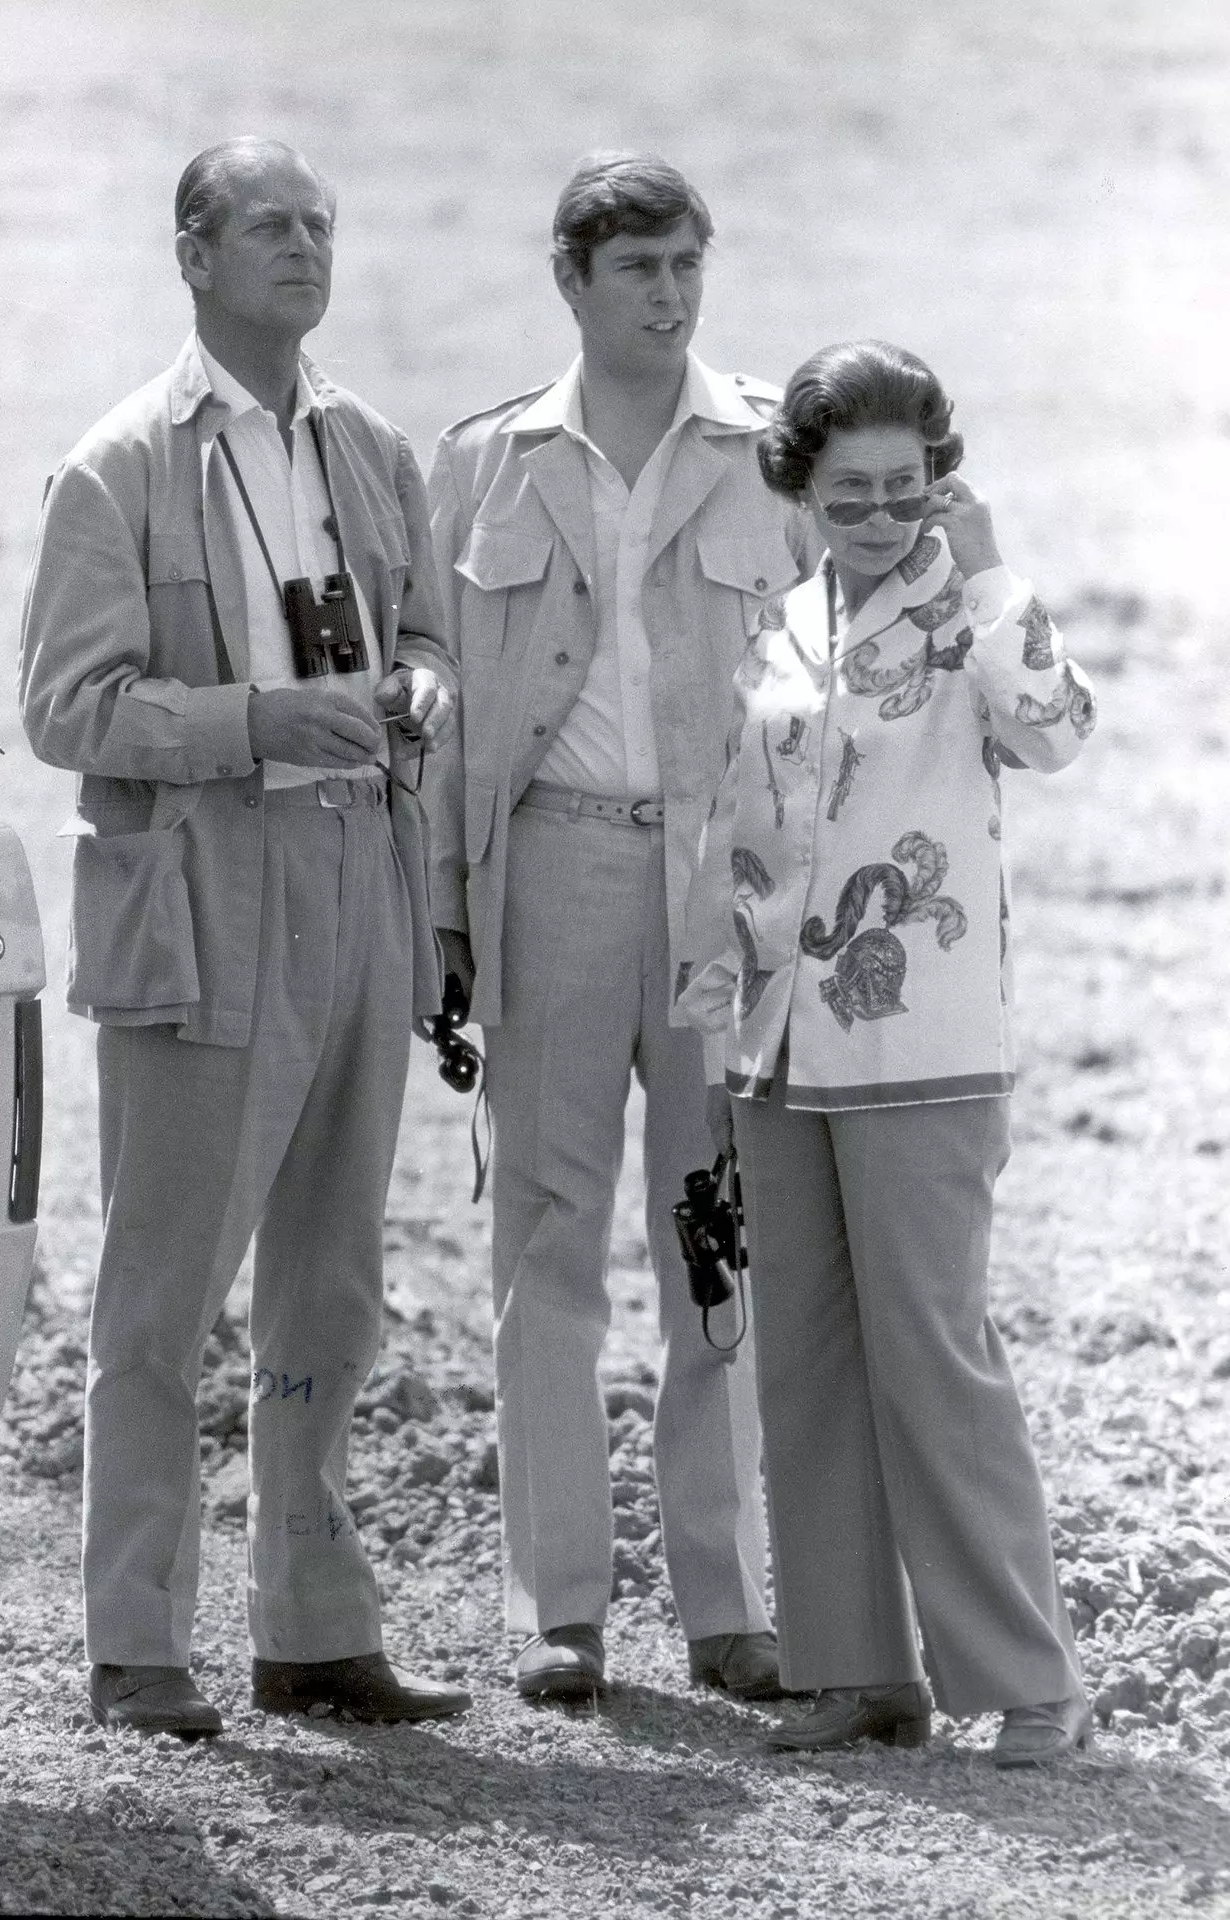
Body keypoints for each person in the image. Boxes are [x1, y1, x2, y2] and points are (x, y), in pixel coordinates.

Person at [18, 137, 469, 1738]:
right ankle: (136, 1645)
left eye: (320, 224)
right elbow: (66, 709)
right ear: (194, 254)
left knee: (335, 1284)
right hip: (202, 897)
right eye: (269, 223)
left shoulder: (370, 445)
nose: (303, 246)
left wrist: (417, 688)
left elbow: (424, 633)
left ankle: (314, 1629)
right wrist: (261, 718)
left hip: (358, 878)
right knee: (164, 1289)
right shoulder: (116, 465)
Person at [425, 152, 815, 1703]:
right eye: (639, 269)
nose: (669, 295)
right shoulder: (481, 466)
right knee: (547, 1248)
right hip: (558, 875)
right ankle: (560, 1611)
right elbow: (446, 728)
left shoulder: (774, 448)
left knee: (719, 1249)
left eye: (686, 267)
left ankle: (728, 1613)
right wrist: (450, 926)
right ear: (571, 280)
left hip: (722, 897)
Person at [677, 339, 1096, 1767]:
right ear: (801, 488)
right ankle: (861, 1673)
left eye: (903, 491)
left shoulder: (974, 611)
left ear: (940, 482)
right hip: (782, 1052)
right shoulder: (780, 627)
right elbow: (738, 835)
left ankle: (1032, 1683)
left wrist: (984, 575)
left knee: (937, 1358)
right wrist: (715, 1012)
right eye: (849, 493)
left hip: (927, 1043)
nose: (877, 518)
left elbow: (1058, 735)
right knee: (803, 1360)